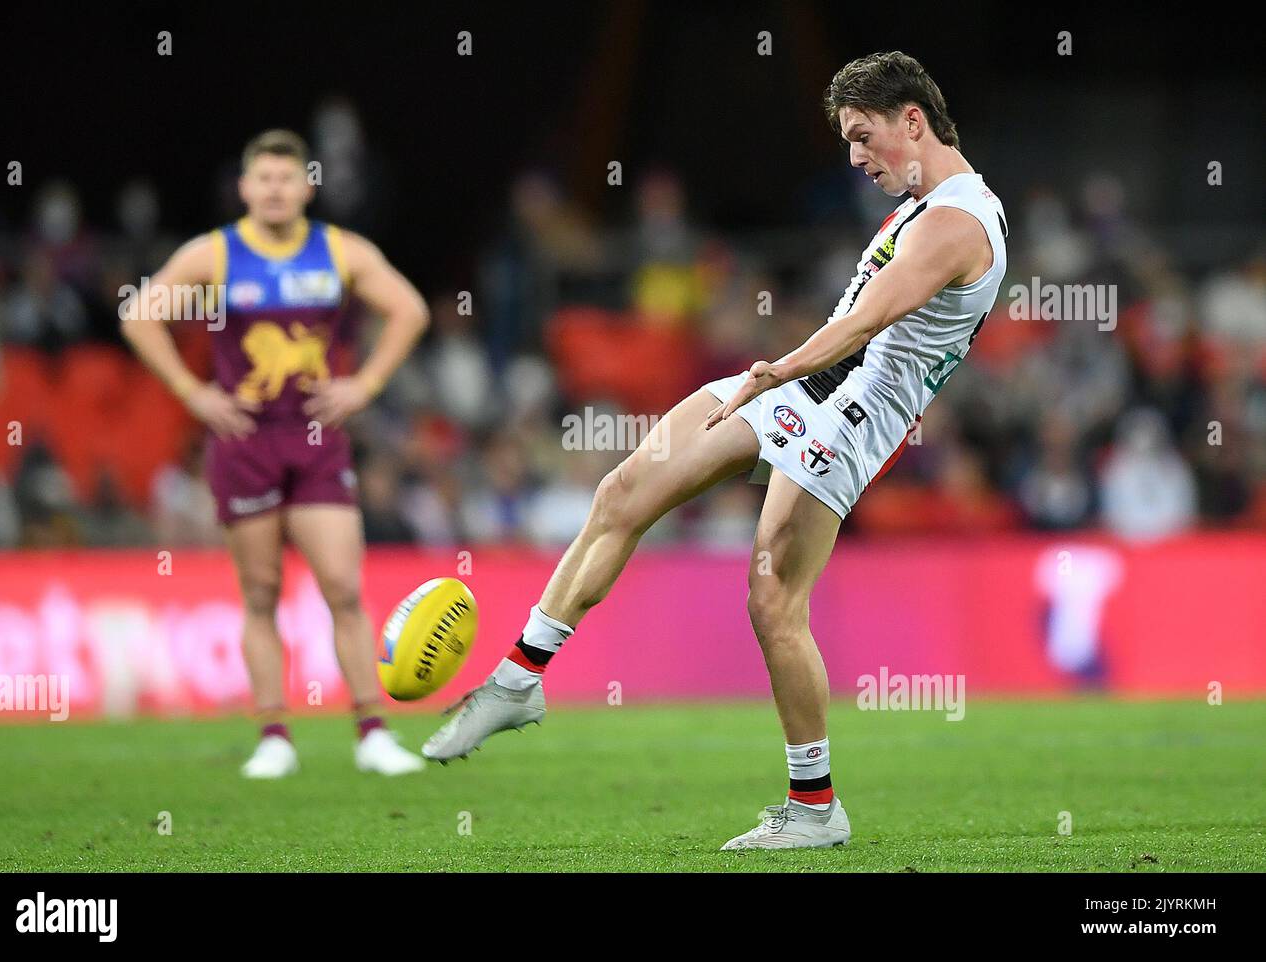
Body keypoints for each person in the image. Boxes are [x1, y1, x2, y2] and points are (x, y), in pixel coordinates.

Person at [423, 52, 1009, 850]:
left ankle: (814, 809)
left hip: (845, 419)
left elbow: (867, 323)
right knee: (624, 490)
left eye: (862, 137)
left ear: (914, 120)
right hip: (795, 386)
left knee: (773, 604)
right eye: (848, 141)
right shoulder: (924, 203)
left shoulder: (957, 220)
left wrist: (778, 366)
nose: (854, 158)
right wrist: (779, 374)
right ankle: (516, 681)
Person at [122, 130, 430, 778]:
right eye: (262, 179)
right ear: (244, 188)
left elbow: (410, 309)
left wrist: (366, 385)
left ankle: (372, 732)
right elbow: (140, 315)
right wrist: (190, 391)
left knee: (343, 587)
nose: (274, 189)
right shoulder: (217, 253)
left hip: (317, 438)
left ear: (307, 186)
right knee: (260, 592)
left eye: (285, 179)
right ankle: (274, 735)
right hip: (245, 440)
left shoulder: (339, 251)